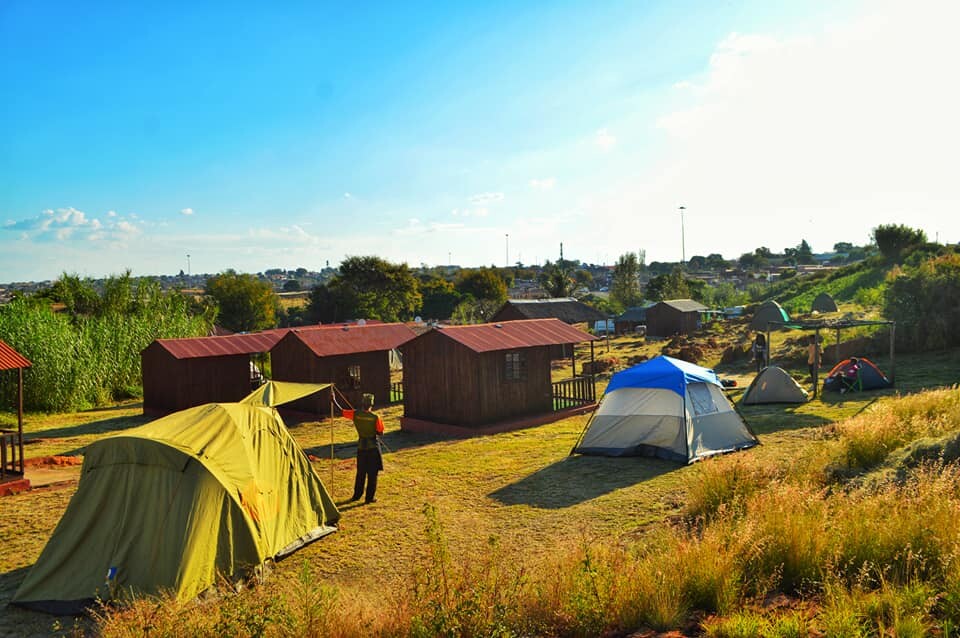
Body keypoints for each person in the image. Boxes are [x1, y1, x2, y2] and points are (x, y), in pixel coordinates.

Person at [351, 393, 384, 504]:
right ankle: (369, 498)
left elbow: (341, 410)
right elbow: (380, 432)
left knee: (360, 473)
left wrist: (333, 399)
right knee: (372, 474)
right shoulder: (376, 417)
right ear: (371, 405)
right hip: (373, 448)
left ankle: (356, 495)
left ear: (362, 403)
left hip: (361, 447)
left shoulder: (355, 414)